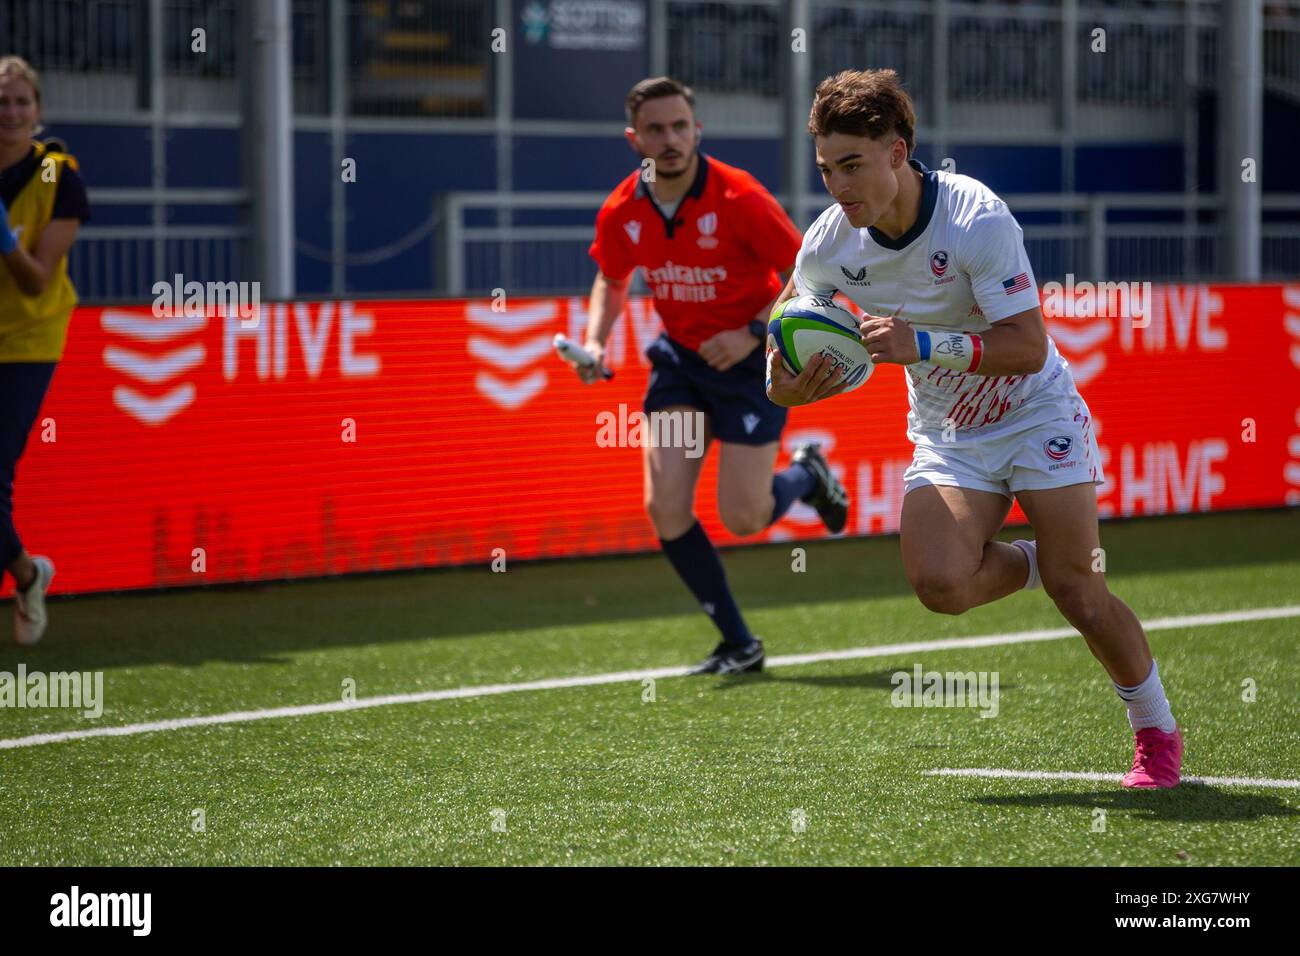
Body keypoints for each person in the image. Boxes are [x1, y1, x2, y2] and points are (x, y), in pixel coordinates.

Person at [768, 69, 1181, 788]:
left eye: (852, 165)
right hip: (949, 430)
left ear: (897, 152)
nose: (837, 185)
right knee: (940, 586)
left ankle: (1155, 732)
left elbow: (1029, 346)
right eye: (827, 169)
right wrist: (790, 384)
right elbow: (781, 354)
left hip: (1033, 411)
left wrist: (920, 344)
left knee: (1080, 593)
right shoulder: (827, 248)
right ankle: (1031, 563)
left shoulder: (975, 217)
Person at [573, 76, 850, 675]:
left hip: (755, 364)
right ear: (634, 139)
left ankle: (806, 476)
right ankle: (738, 644)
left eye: (680, 127)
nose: (669, 139)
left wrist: (751, 330)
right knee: (666, 508)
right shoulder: (622, 210)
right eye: (655, 130)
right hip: (681, 367)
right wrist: (595, 341)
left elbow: (805, 275)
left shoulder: (740, 197)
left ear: (697, 130)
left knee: (744, 517)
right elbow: (612, 280)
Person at [0, 55, 91, 645]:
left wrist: (3, 239)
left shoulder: (59, 174)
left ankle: (29, 577)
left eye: (20, 102)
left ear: (39, 110)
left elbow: (35, 279)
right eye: (1, 103)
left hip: (27, 341)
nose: (10, 113)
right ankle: (29, 574)